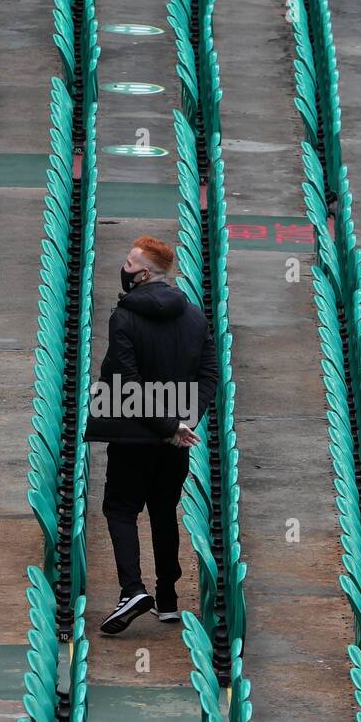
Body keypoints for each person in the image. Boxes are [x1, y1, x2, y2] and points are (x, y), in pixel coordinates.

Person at [86, 236, 218, 635]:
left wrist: (167, 425)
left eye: (129, 263)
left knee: (121, 509)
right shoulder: (195, 316)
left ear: (143, 274)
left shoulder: (123, 317)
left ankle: (132, 590)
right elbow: (209, 375)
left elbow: (128, 383)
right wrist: (183, 423)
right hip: (173, 440)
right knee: (163, 510)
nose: (124, 268)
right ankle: (168, 598)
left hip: (132, 434)